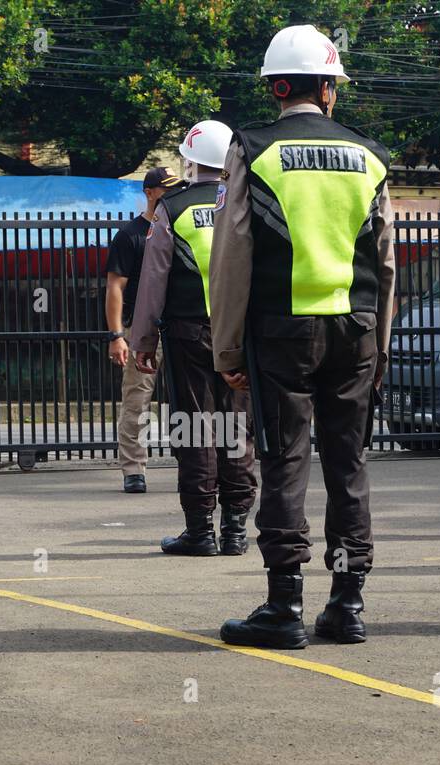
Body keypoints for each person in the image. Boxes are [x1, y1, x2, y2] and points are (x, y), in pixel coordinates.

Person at [209, 24, 396, 649]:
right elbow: (386, 261)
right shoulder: (369, 156)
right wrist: (382, 345)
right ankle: (347, 603)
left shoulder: (253, 148)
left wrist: (227, 347)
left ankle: (283, 607)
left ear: (274, 88)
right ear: (330, 89)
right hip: (357, 329)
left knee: (284, 462)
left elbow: (233, 252)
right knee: (349, 465)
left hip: (283, 329)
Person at [132, 120, 256, 556]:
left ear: (189, 160)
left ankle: (201, 530)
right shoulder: (245, 199)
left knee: (194, 426)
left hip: (188, 332)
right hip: (238, 330)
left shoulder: (174, 206)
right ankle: (237, 529)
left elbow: (153, 280)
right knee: (237, 425)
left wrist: (143, 340)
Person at [106, 167, 181, 493]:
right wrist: (116, 334)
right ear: (149, 192)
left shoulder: (180, 226)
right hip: (141, 326)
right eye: (166, 189)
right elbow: (114, 287)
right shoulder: (130, 235)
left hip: (180, 322)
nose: (172, 194)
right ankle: (133, 468)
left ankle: (196, 463)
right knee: (137, 400)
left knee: (191, 398)